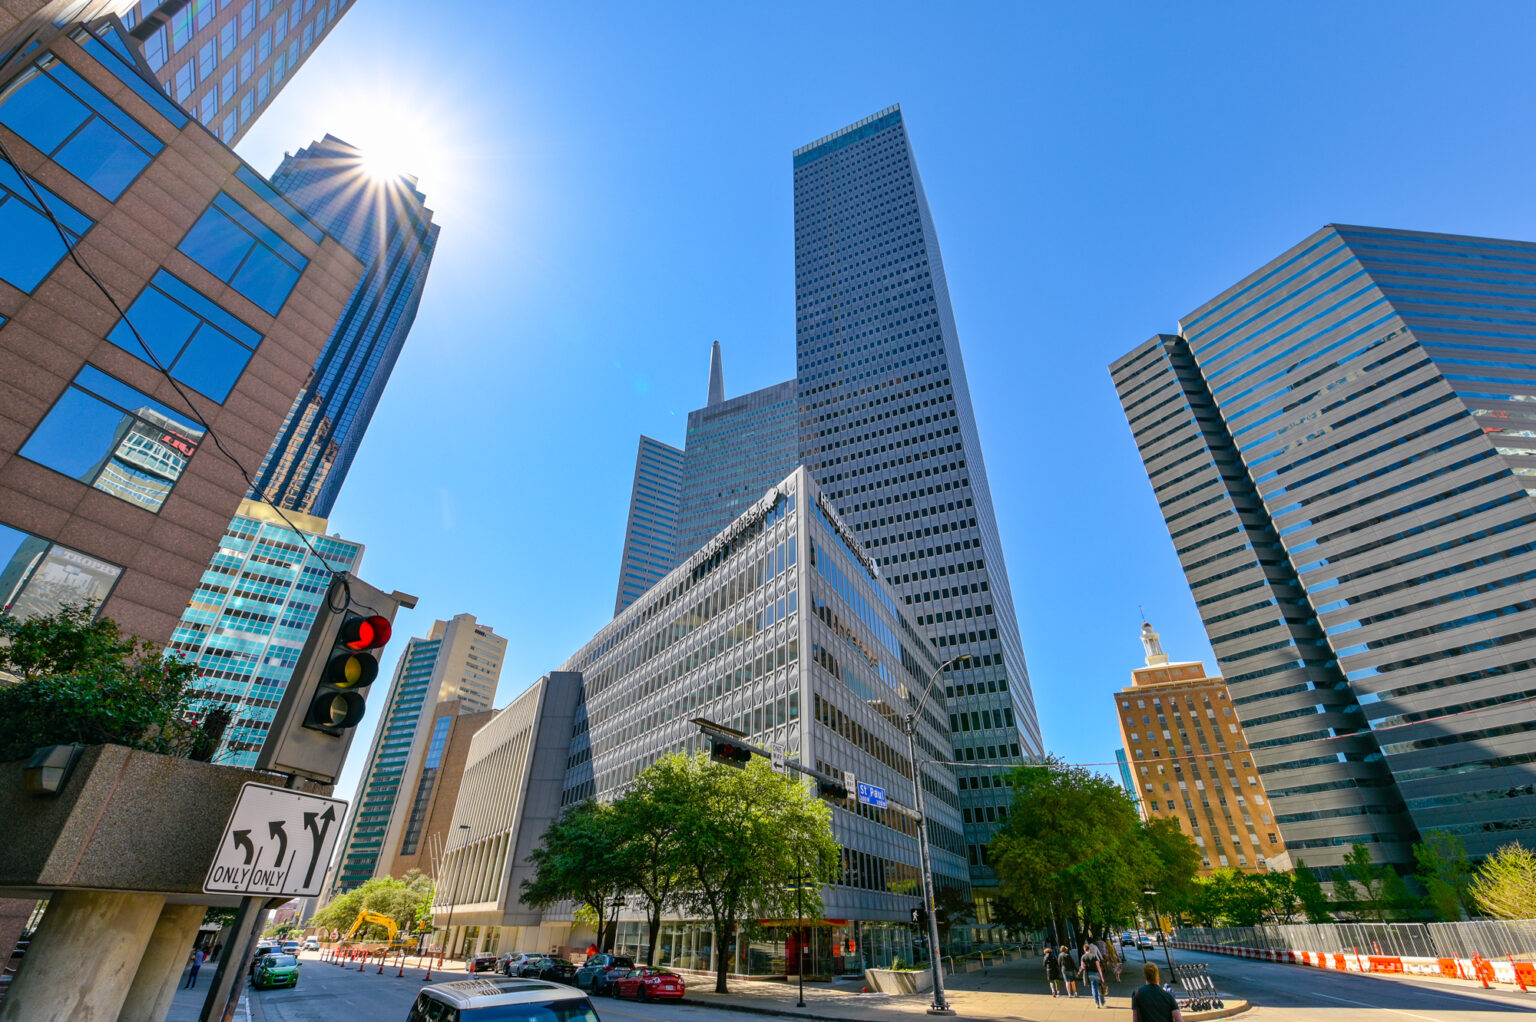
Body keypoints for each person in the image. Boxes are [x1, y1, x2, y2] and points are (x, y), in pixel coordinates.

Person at [1081, 942, 1106, 1008]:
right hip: (1096, 973)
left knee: (1094, 988)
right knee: (1100, 987)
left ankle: (1097, 1003)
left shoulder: (1083, 957)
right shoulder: (1094, 956)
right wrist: (1102, 976)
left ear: (1084, 950)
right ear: (1089, 949)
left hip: (1090, 974)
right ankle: (1102, 1000)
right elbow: (1098, 967)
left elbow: (1083, 967)